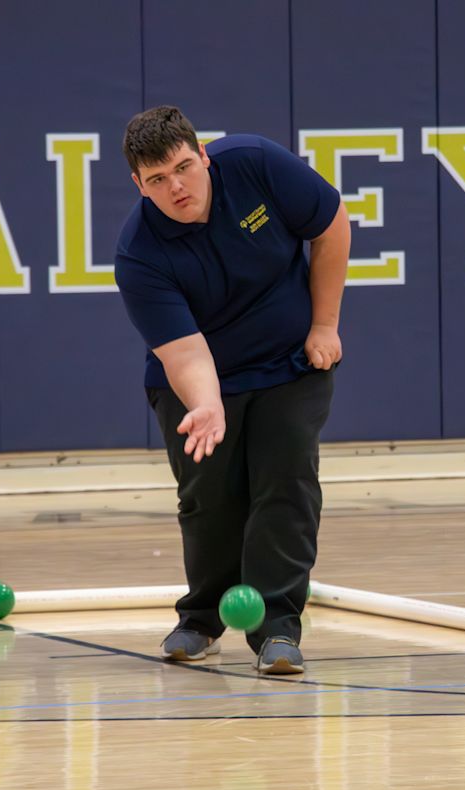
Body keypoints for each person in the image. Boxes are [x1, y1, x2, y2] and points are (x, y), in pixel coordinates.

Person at [113, 106, 350, 674]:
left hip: (290, 361)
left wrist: (324, 324)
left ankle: (277, 629)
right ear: (138, 185)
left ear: (203, 154)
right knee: (209, 498)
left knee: (285, 481)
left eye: (184, 168)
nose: (176, 188)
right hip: (199, 383)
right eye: (157, 180)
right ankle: (200, 619)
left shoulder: (257, 164)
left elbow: (332, 225)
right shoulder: (139, 253)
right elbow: (185, 352)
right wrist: (208, 403)